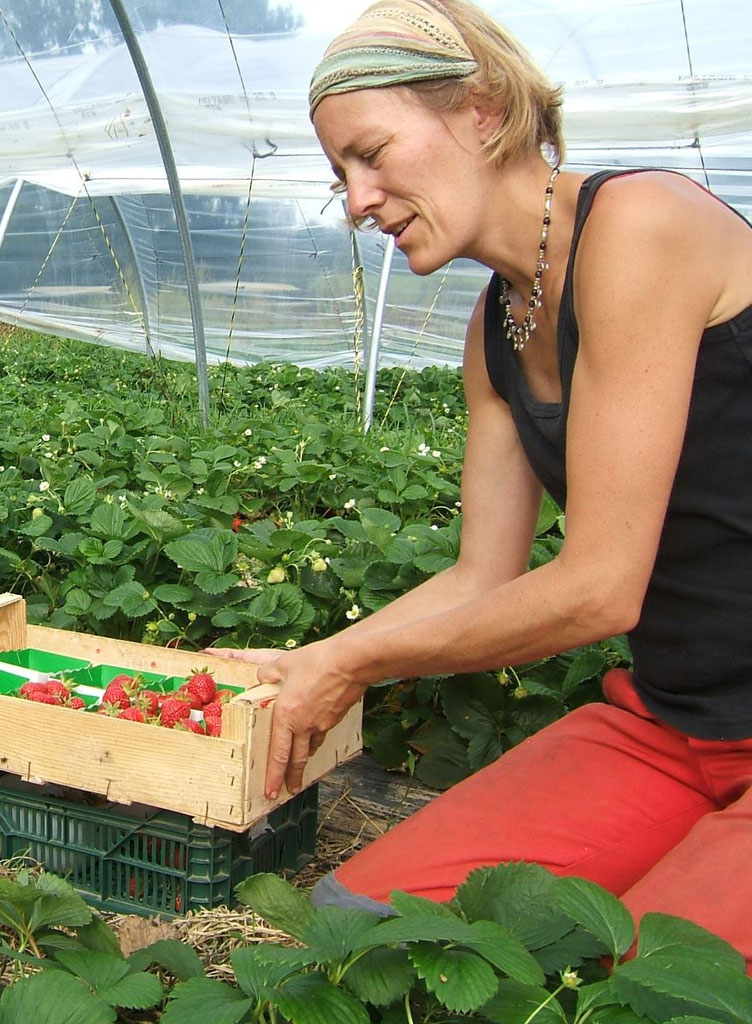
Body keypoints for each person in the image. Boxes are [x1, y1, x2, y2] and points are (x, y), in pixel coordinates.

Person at [211, 0, 752, 968]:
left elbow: (601, 584)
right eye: (340, 173)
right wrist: (312, 660)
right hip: (676, 724)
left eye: (372, 153)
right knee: (359, 919)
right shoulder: (494, 330)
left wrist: (357, 667)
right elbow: (482, 576)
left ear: (482, 112)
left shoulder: (638, 226)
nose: (357, 200)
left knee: (657, 979)